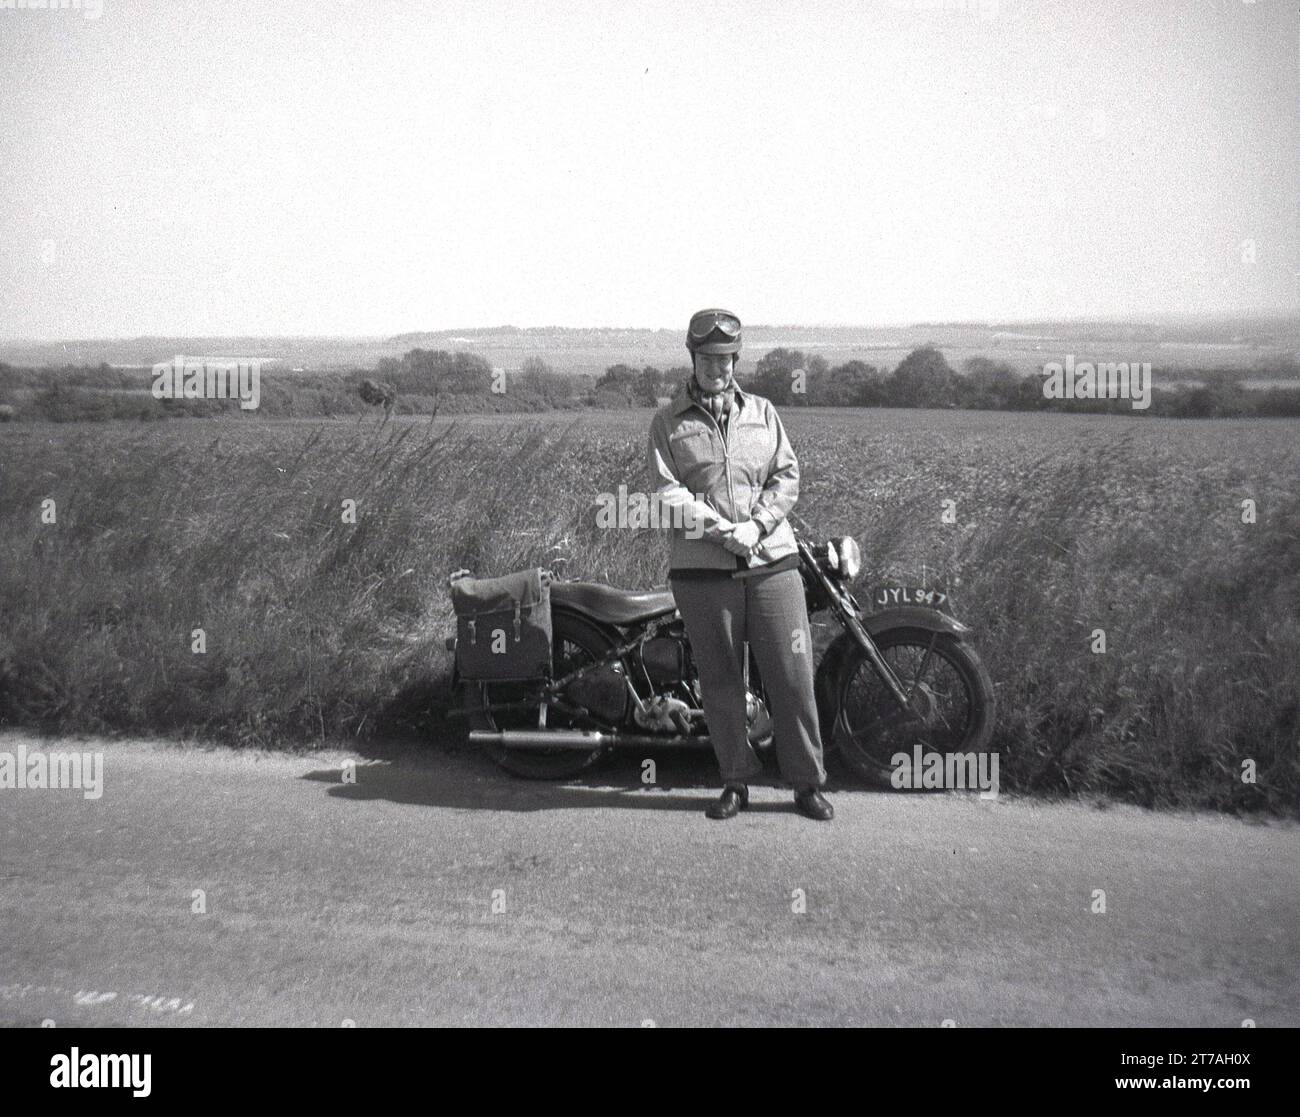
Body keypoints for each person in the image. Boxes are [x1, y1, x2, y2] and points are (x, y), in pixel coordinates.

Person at [646, 308, 833, 821]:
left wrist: (758, 525)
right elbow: (668, 489)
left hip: (772, 562)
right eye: (708, 359)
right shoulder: (669, 421)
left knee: (792, 676)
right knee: (722, 682)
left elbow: (787, 475)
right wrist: (720, 530)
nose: (718, 369)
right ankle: (735, 781)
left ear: (736, 361)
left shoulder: (764, 412)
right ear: (693, 359)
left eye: (727, 360)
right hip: (704, 571)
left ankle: (806, 783)